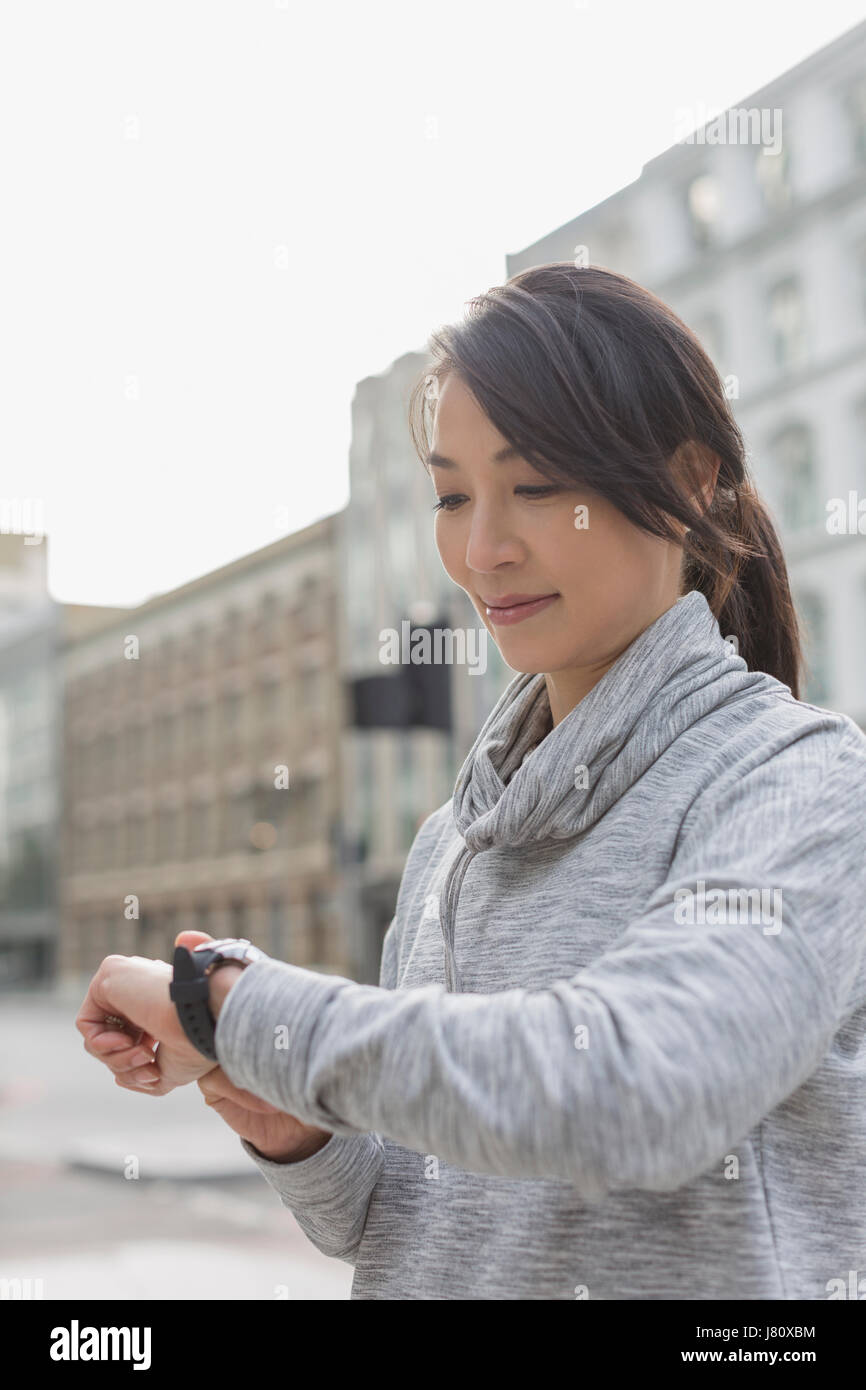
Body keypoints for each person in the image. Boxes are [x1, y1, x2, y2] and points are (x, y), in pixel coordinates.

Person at [78, 263, 866, 1301]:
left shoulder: (796, 779)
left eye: (535, 486)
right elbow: (397, 1217)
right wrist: (295, 1124)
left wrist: (243, 1007)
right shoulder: (450, 837)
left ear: (684, 482)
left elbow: (645, 1089)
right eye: (452, 495)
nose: (481, 549)